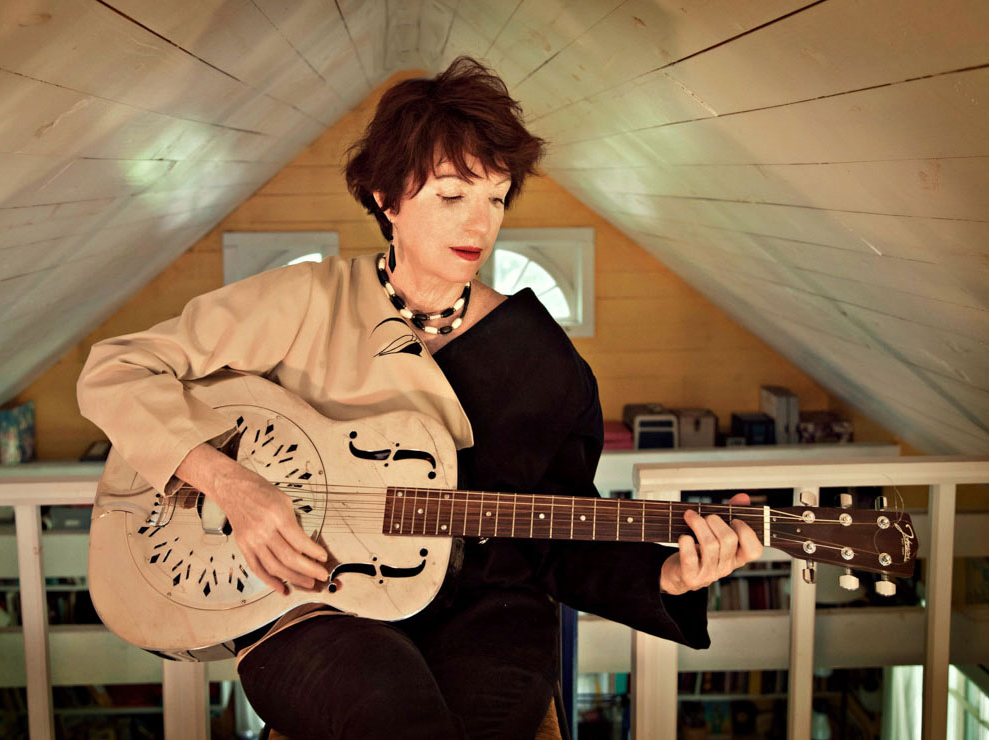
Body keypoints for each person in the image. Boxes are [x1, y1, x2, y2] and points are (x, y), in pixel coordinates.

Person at [77, 56, 763, 739]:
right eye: (451, 195)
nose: (480, 223)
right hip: (313, 601)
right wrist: (229, 484)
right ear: (387, 197)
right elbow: (116, 368)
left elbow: (561, 535)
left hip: (488, 612)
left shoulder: (543, 360)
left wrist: (668, 576)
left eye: (496, 196)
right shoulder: (305, 298)